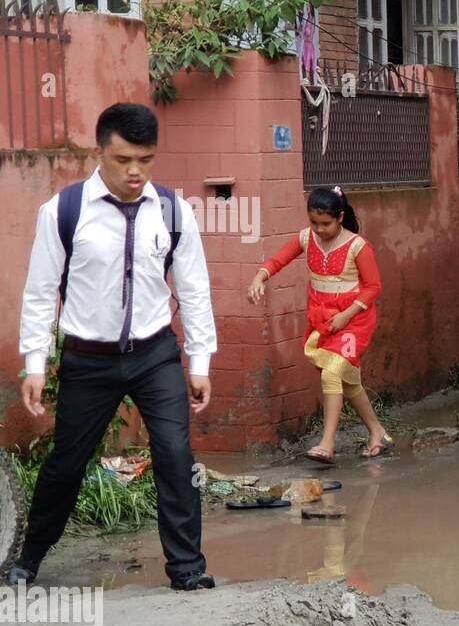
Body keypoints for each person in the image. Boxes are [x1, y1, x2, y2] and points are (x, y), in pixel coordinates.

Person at [12, 103, 217, 590]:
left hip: (155, 355)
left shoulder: (172, 212)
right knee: (67, 462)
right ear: (99, 151)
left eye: (146, 160)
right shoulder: (63, 211)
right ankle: (30, 556)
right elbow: (40, 291)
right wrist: (35, 363)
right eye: (123, 159)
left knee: (175, 454)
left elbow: (194, 290)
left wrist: (200, 361)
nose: (135, 171)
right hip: (88, 360)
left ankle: (187, 569)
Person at [248, 187, 392, 463]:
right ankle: (379, 433)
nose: (319, 229)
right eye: (314, 222)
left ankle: (327, 444)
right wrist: (259, 277)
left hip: (355, 321)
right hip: (323, 319)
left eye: (326, 223)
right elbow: (278, 260)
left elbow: (373, 287)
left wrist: (347, 315)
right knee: (348, 382)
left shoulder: (358, 246)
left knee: (331, 374)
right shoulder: (306, 238)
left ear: (340, 218)